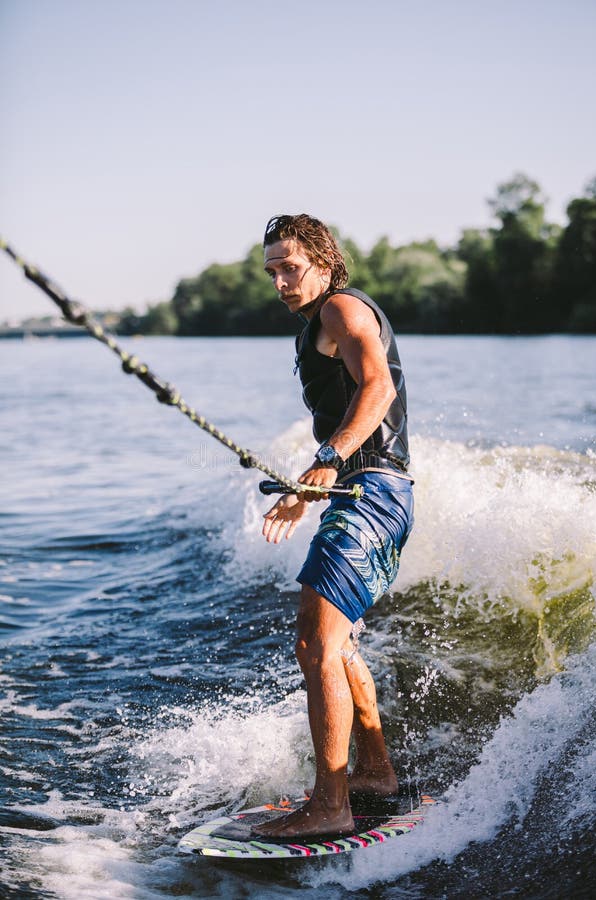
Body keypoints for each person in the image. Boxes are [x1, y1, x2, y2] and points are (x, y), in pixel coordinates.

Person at [255, 214, 413, 840]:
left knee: (315, 645)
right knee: (333, 642)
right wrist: (306, 490)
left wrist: (325, 459)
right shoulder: (319, 323)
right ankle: (375, 773)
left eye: (289, 266)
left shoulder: (341, 310)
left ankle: (332, 804)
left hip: (372, 492)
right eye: (271, 272)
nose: (281, 282)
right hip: (367, 491)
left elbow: (378, 390)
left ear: (323, 259)